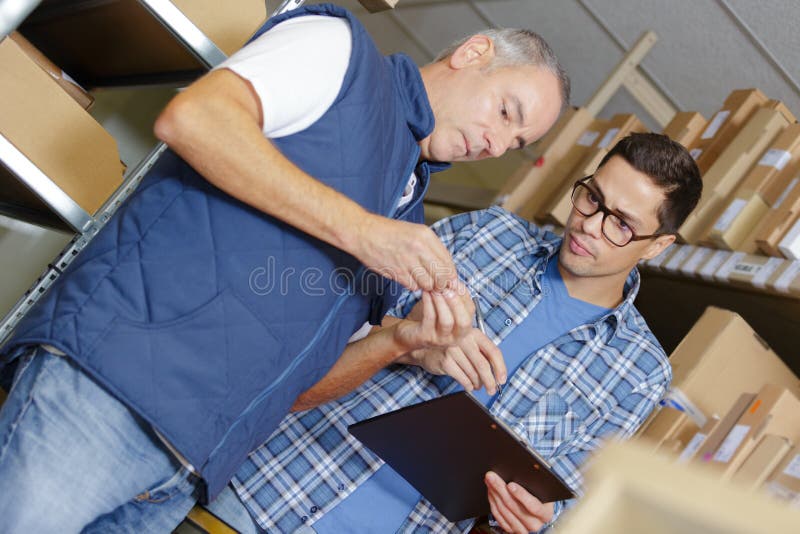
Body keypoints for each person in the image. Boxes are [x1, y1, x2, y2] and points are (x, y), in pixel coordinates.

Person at [0, 3, 569, 532]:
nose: (495, 143)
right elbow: (195, 119)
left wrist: (401, 340)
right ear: (472, 53)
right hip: (110, 392)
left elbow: (294, 390)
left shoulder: (407, 213)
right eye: (504, 112)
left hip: (188, 469)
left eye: (514, 142)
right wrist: (364, 231)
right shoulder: (340, 52)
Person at [202, 132, 703, 534]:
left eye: (620, 223)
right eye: (593, 198)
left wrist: (538, 518)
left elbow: (570, 500)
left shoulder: (639, 371)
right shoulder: (488, 234)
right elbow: (334, 313)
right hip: (269, 490)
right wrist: (412, 341)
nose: (590, 224)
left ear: (657, 246)